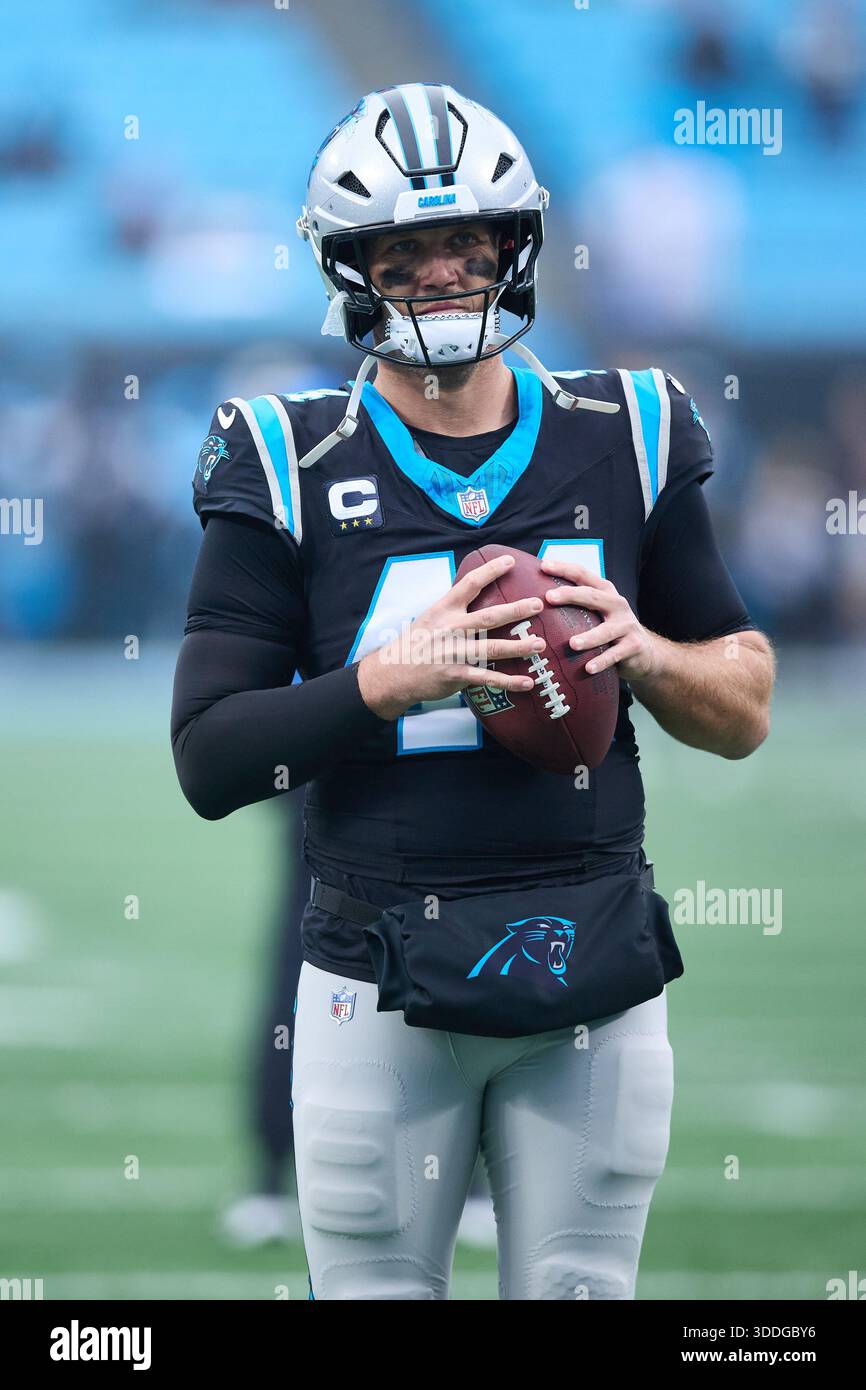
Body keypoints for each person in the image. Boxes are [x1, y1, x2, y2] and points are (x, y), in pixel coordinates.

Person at [172, 83, 774, 1300]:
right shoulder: (284, 453)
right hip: (373, 975)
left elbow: (744, 702)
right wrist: (379, 685)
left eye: (466, 243)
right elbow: (211, 757)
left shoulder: (632, 426)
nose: (444, 273)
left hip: (591, 964)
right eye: (406, 251)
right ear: (354, 269)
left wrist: (646, 656)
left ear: (514, 247)